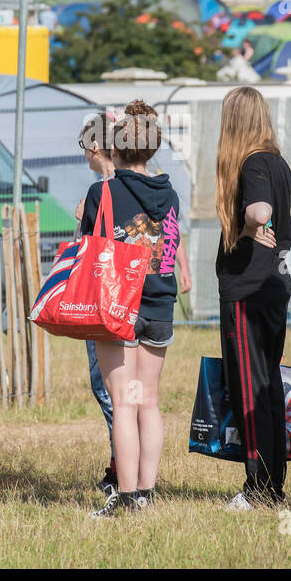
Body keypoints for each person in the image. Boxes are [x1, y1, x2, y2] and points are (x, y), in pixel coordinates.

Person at [80, 100, 181, 516]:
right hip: (159, 304)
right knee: (148, 400)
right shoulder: (170, 191)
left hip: (118, 305)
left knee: (122, 401)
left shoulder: (102, 191)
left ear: (116, 148)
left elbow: (86, 244)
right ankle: (146, 491)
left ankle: (124, 496)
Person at [214, 86, 291, 509]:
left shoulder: (252, 164)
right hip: (275, 287)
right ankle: (272, 483)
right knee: (267, 386)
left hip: (247, 291)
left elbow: (259, 210)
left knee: (248, 388)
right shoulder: (278, 163)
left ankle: (259, 488)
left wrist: (249, 225)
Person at [75, 111, 118, 497]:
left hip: (103, 297)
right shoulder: (141, 180)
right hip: (130, 297)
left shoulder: (103, 189)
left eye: (84, 146)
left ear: (97, 147)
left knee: (106, 386)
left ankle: (121, 463)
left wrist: (83, 219)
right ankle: (120, 462)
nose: (84, 154)